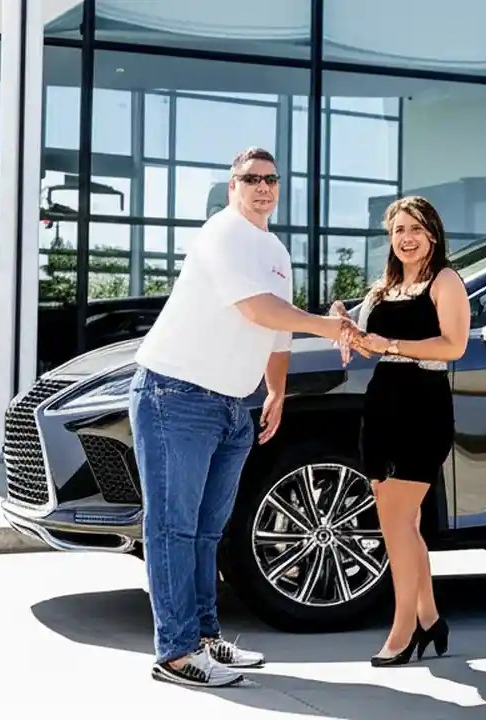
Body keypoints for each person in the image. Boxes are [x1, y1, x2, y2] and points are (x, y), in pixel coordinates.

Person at [130, 147, 359, 687]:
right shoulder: (224, 233)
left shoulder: (275, 249)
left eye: (271, 179)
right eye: (251, 178)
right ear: (233, 185)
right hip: (176, 396)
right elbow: (255, 309)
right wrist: (332, 329)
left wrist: (275, 393)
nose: (263, 187)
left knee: (208, 532)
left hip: (233, 405)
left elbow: (276, 332)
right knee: (172, 529)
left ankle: (205, 638)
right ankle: (176, 653)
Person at [340, 196, 470, 667]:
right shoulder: (383, 289)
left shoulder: (446, 281)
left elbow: (454, 345)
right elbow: (367, 344)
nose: (406, 238)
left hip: (423, 405)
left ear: (432, 233)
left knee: (396, 524)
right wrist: (348, 330)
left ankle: (403, 629)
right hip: (382, 404)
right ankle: (431, 617)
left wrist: (391, 342)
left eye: (415, 228)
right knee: (405, 524)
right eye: (397, 231)